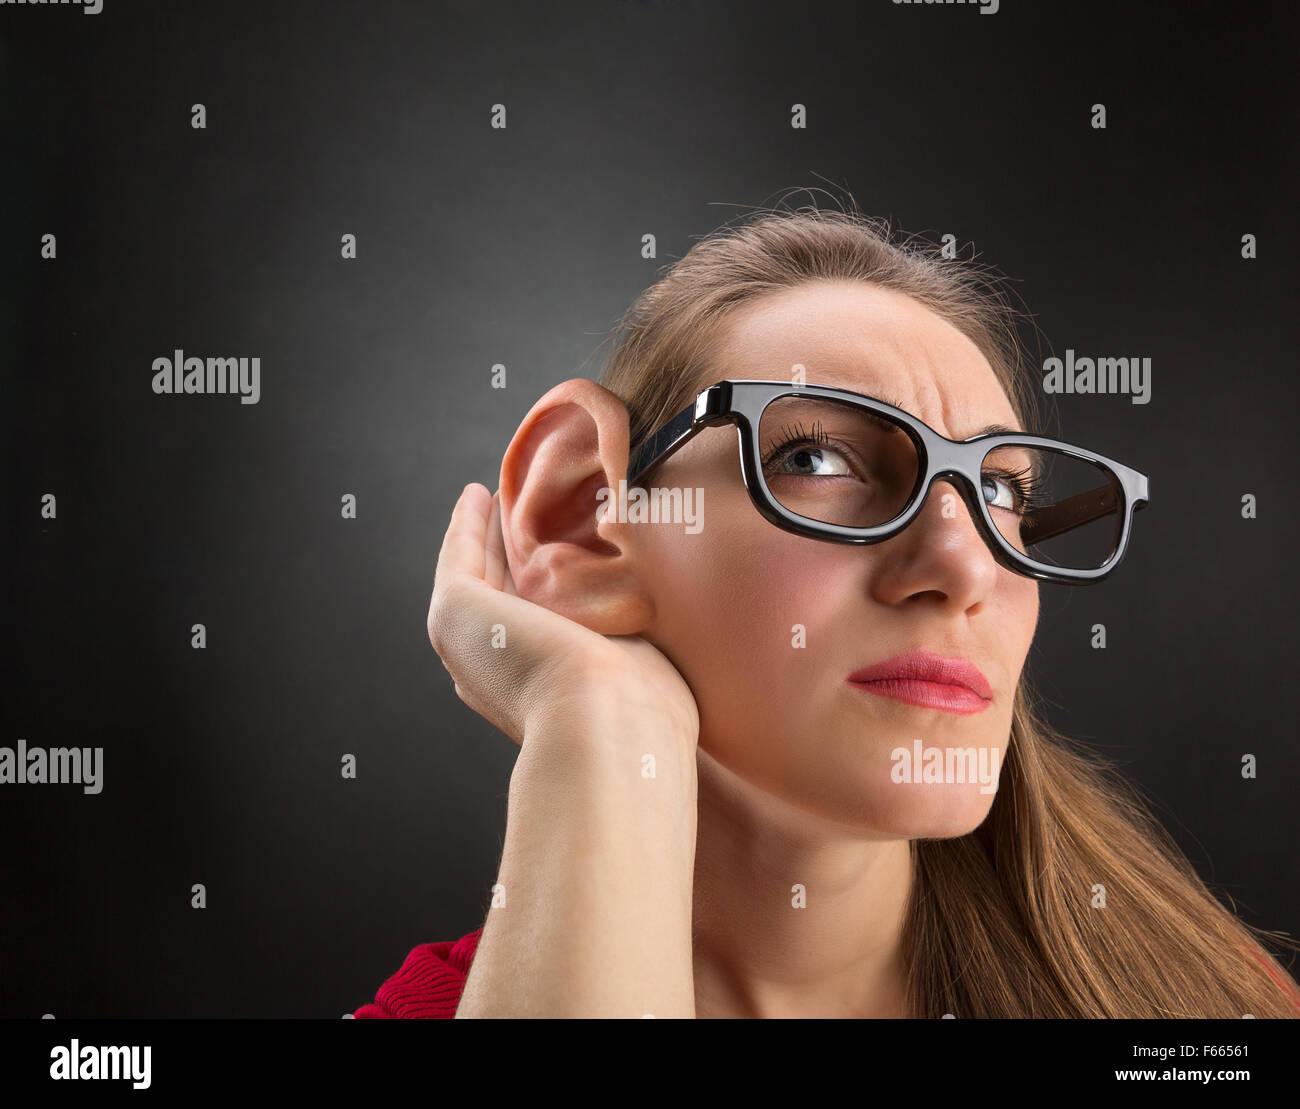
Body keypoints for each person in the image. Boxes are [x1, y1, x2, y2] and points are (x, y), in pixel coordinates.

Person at [355, 203, 1300, 1018]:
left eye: (1002, 491)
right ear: (585, 517)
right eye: (816, 459)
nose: (962, 566)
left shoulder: (1211, 1007)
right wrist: (599, 720)